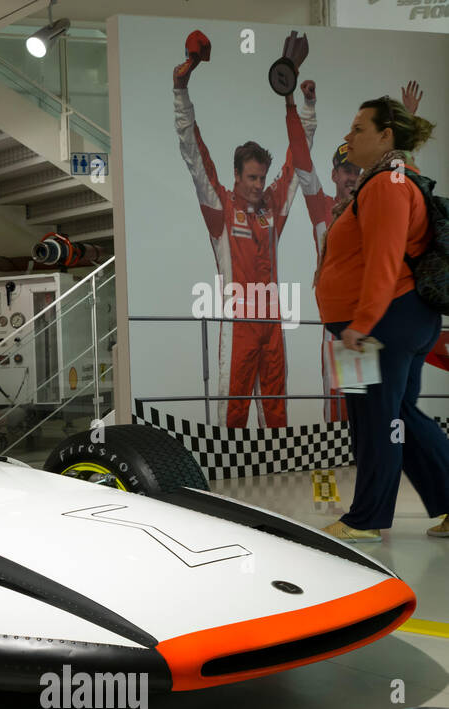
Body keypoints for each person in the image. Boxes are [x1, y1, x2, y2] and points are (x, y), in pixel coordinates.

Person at [315, 95, 449, 542]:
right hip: (377, 322)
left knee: (378, 420)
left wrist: (363, 323)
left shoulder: (389, 184)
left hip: (380, 323)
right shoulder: (386, 179)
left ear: (385, 136)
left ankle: (367, 518)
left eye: (357, 129)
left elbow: (384, 261)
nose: (347, 137)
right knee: (398, 416)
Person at [174, 33, 311, 429]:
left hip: (272, 325)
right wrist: (180, 92)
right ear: (236, 175)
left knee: (277, 411)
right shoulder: (220, 206)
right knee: (232, 413)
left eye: (261, 177)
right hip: (238, 326)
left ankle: (279, 476)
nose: (257, 184)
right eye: (251, 177)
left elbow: (297, 163)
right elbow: (194, 155)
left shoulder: (271, 205)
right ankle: (229, 482)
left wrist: (302, 102)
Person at [286, 80, 422, 421]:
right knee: (355, 408)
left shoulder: (377, 194)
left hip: (368, 322)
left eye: (355, 170)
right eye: (345, 170)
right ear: (333, 174)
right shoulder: (323, 205)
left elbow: (399, 168)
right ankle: (360, 460)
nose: (351, 176)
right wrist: (300, 102)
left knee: (382, 412)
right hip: (341, 326)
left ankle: (389, 464)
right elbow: (300, 156)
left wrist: (405, 119)